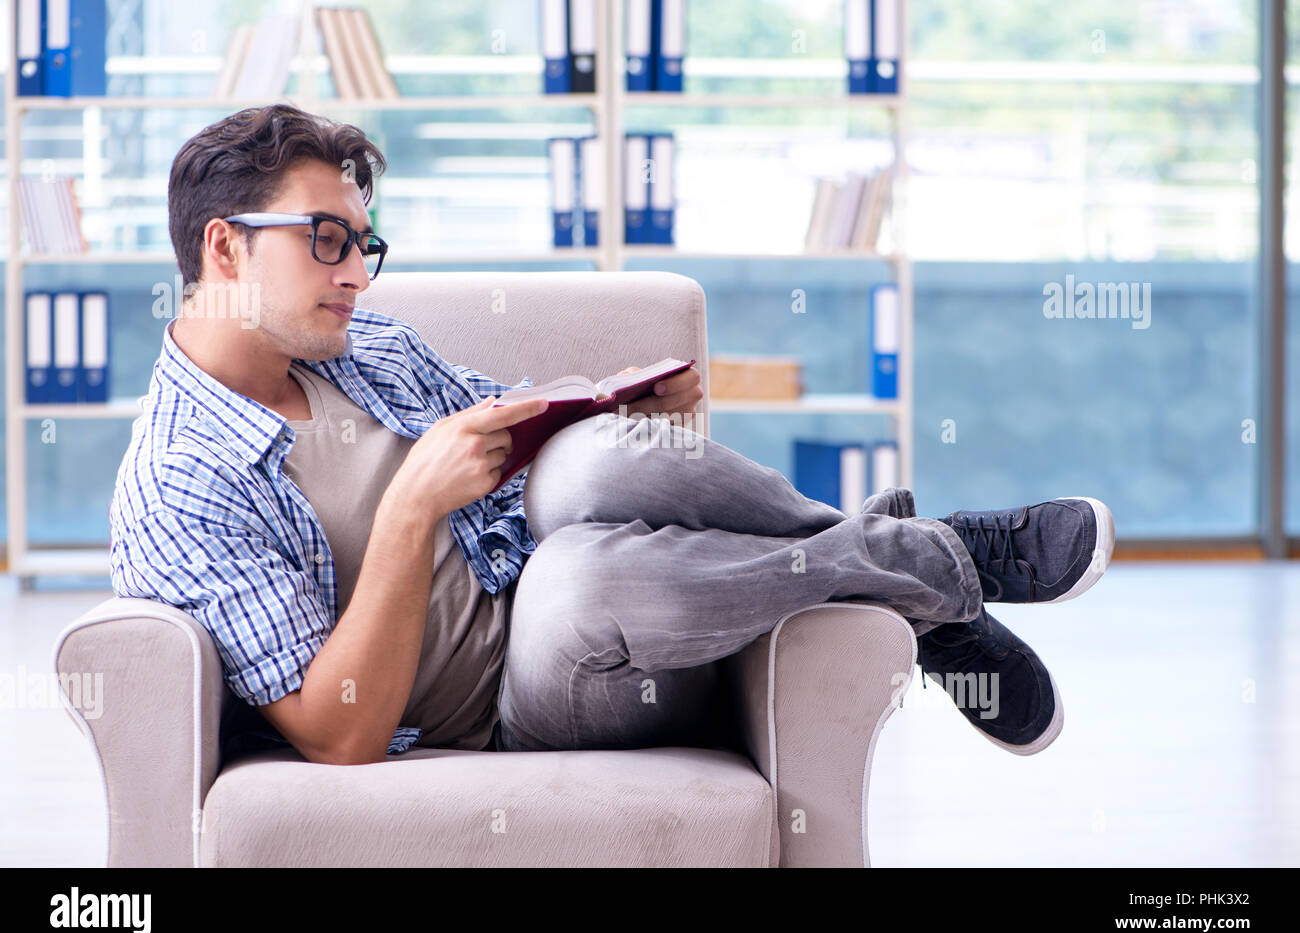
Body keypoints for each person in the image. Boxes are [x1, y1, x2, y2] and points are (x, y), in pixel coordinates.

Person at [109, 104, 1114, 766]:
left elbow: (522, 440)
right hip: (531, 690)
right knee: (583, 583)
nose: (356, 274)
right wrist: (413, 503)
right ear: (225, 245)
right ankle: (933, 562)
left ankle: (912, 572)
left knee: (596, 459)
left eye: (364, 244)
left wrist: (611, 413)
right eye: (326, 240)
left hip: (574, 556)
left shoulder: (358, 345)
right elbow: (340, 731)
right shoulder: (178, 485)